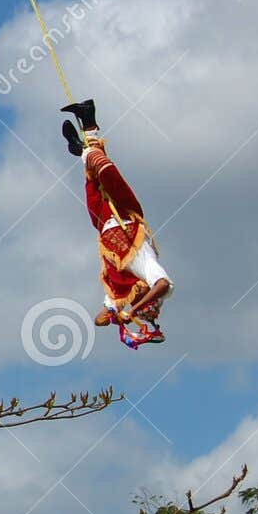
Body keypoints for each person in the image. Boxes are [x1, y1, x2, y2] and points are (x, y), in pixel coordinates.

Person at [62, 100, 171, 344]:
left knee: (92, 183)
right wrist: (133, 312)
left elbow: (99, 319)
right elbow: (162, 284)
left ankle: (86, 131)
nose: (142, 292)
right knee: (106, 173)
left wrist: (118, 316)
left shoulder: (119, 292)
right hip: (125, 216)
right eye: (145, 295)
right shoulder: (147, 269)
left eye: (141, 297)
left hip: (104, 226)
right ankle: (85, 141)